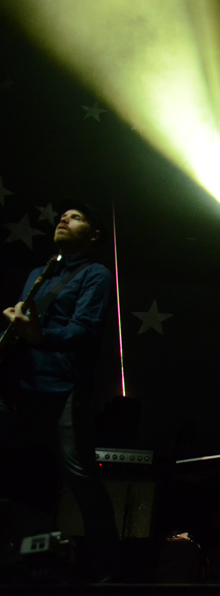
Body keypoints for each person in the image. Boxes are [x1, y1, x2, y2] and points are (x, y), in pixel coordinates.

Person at [0, 202, 119, 580]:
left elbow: (84, 331)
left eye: (77, 217)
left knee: (81, 479)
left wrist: (39, 335)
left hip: (63, 389)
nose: (64, 219)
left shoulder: (95, 274)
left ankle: (107, 572)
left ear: (94, 235)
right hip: (23, 388)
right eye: (63, 215)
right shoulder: (40, 272)